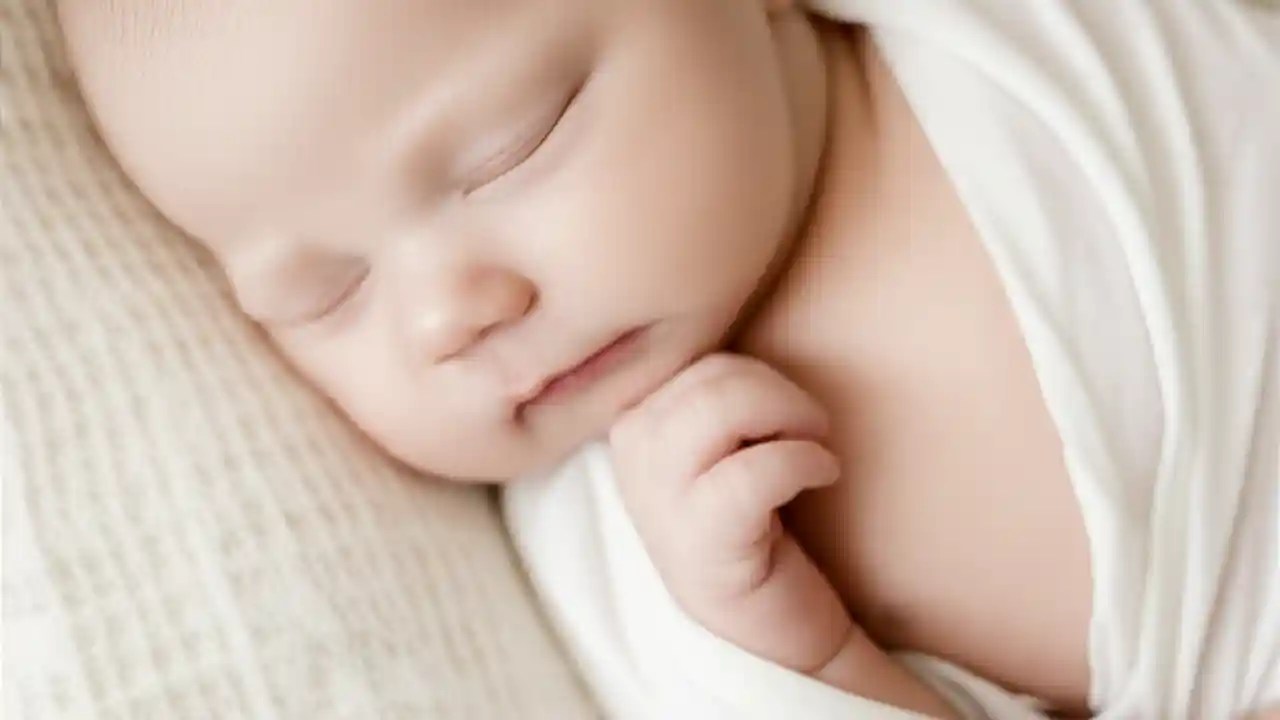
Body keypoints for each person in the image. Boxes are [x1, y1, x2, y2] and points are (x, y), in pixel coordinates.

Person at [57, 0, 1279, 716]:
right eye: (324, 292)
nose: (446, 318)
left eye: (506, 149)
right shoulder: (644, 566)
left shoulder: (994, 32)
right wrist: (801, 649)